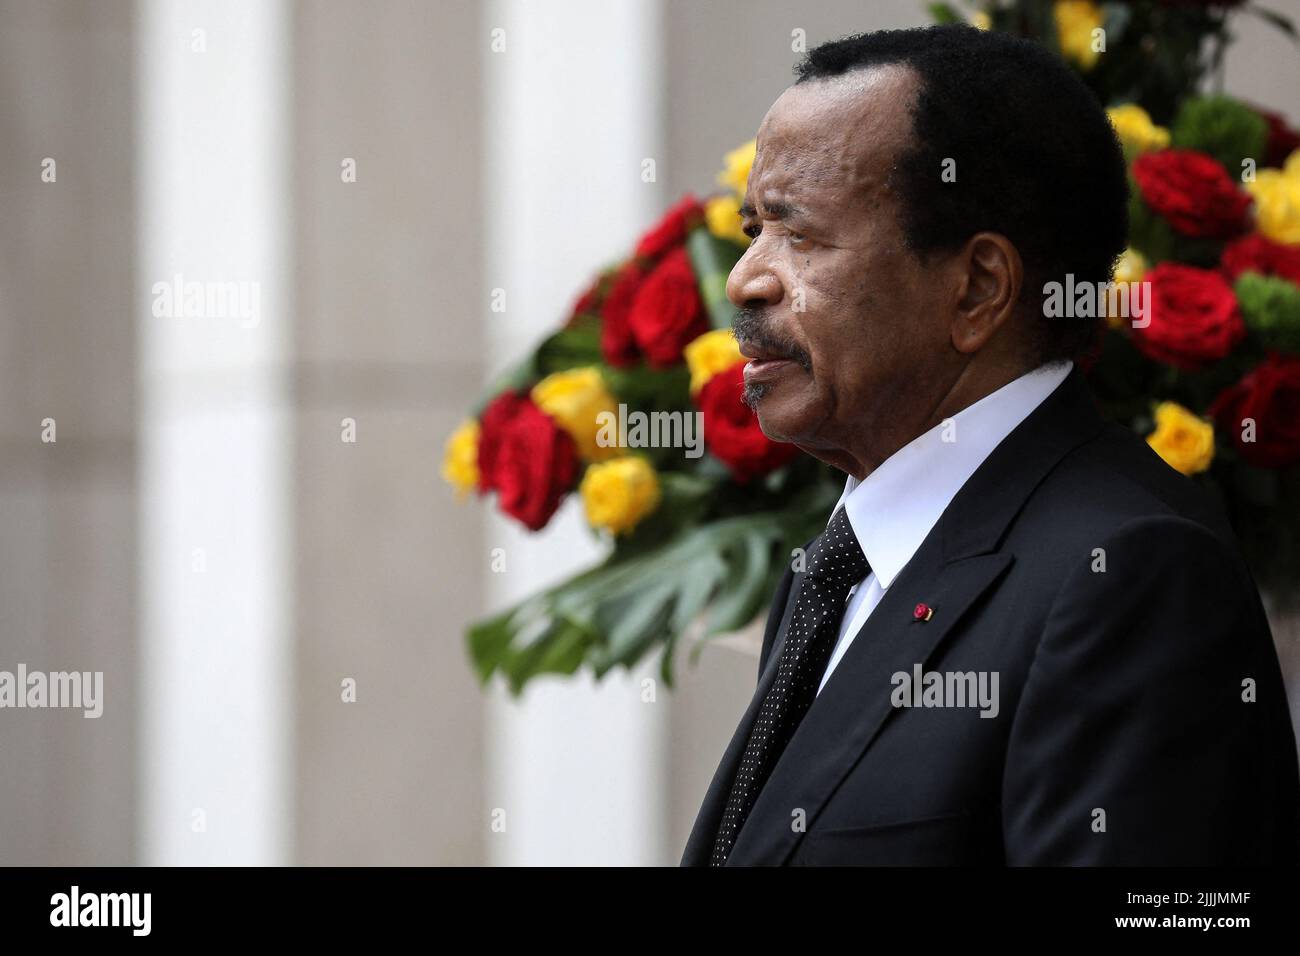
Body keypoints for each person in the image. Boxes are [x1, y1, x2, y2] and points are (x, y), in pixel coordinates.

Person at [680, 24, 1300, 866]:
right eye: (754, 228)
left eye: (800, 235)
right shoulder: (841, 566)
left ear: (976, 288)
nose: (745, 278)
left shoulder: (1129, 576)